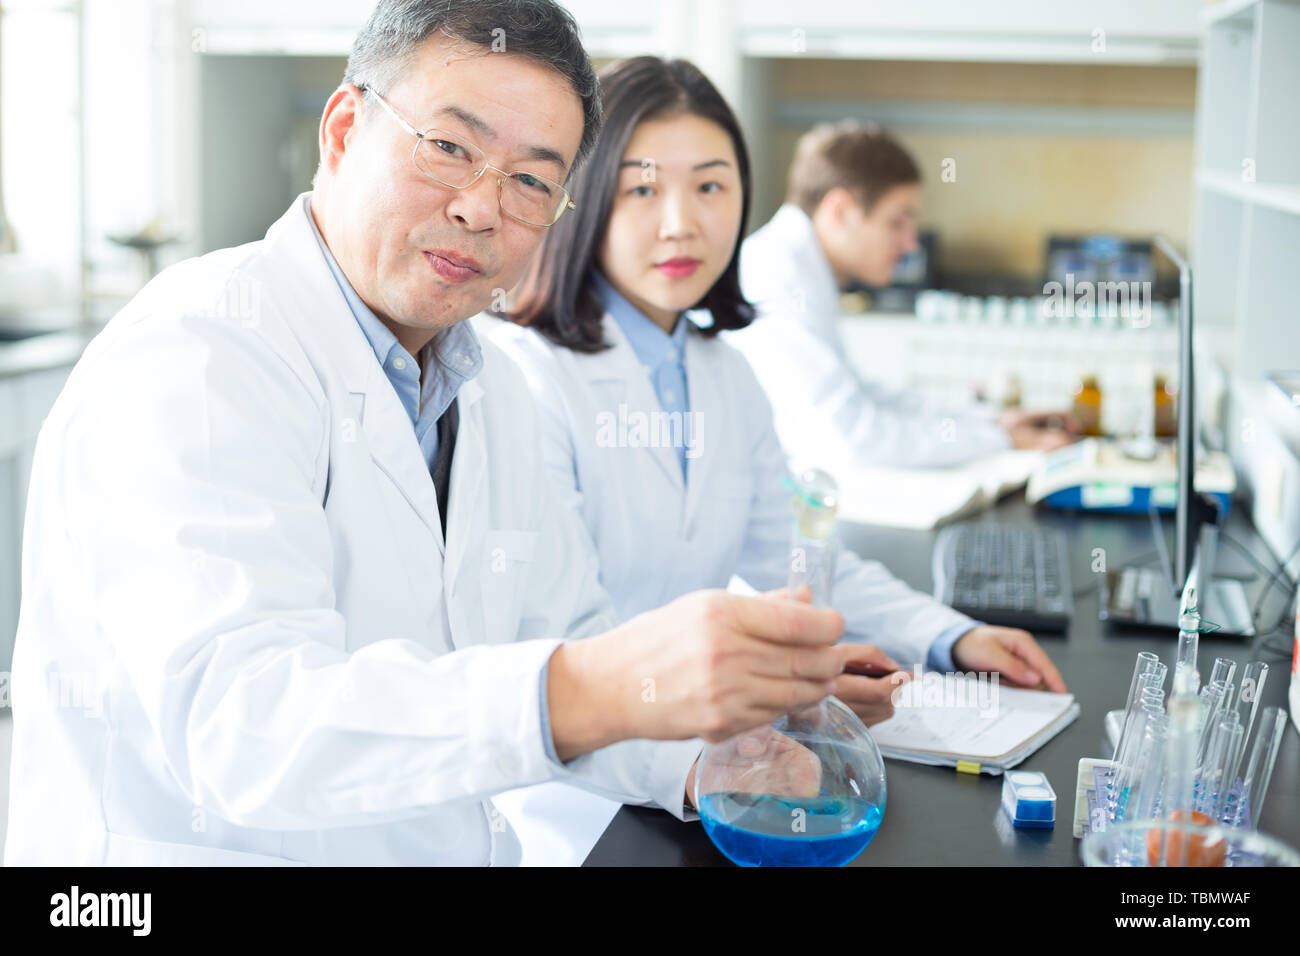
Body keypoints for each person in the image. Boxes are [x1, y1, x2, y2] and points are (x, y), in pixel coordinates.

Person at [3, 0, 852, 867]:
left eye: (530, 182)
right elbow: (244, 727)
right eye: (448, 148)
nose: (482, 209)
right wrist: (586, 690)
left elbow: (566, 630)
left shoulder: (489, 390)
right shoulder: (201, 353)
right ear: (342, 129)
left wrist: (702, 759)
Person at [489, 56, 1067, 864]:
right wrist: (767, 697)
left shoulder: (724, 373)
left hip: (712, 773)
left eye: (712, 187)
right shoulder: (522, 375)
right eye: (644, 187)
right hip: (576, 806)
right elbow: (564, 643)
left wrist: (949, 636)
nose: (681, 223)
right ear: (583, 197)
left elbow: (796, 557)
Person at [725, 120, 1079, 470]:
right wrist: (998, 440)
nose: (911, 243)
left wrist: (992, 422)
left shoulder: (795, 264)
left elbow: (863, 397)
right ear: (840, 211)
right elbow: (854, 438)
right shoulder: (779, 277)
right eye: (897, 222)